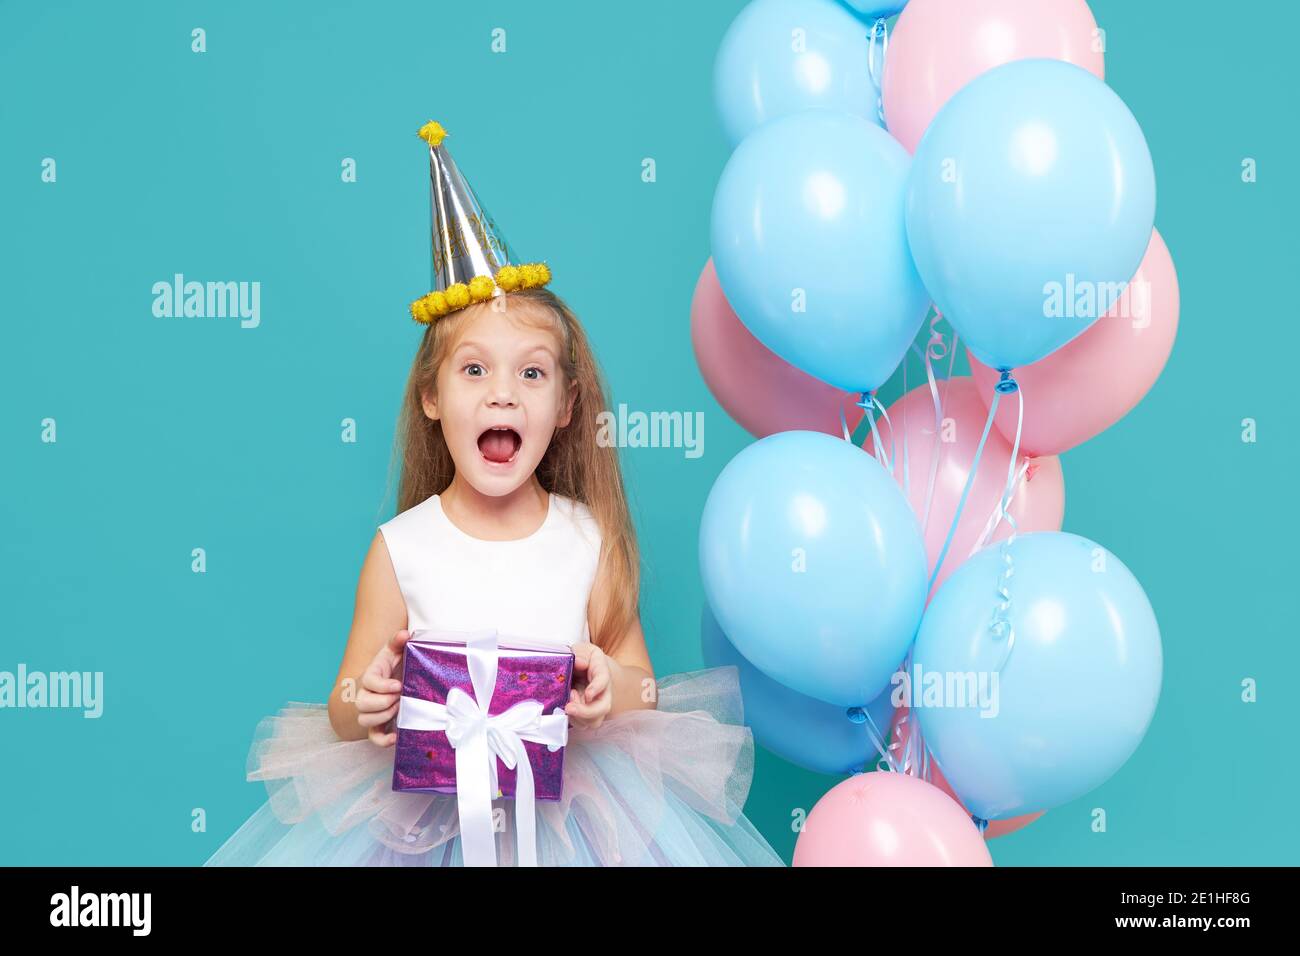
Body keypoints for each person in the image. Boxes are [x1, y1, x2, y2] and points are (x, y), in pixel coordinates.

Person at [203, 121, 784, 866]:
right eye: (474, 371)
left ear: (567, 405)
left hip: (577, 821)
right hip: (423, 824)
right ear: (432, 398)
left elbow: (645, 689)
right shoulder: (402, 549)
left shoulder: (586, 540)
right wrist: (368, 700)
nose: (503, 395)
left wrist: (611, 685)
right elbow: (343, 704)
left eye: (531, 374)